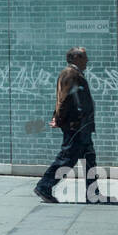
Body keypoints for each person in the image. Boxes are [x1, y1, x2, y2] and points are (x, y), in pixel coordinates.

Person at [35, 47, 97, 203]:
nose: (87, 61)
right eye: (84, 57)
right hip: (75, 127)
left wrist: (57, 118)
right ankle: (44, 186)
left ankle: (93, 193)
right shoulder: (71, 74)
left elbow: (63, 99)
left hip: (81, 126)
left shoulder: (72, 73)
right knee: (66, 159)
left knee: (89, 158)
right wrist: (59, 119)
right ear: (76, 58)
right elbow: (64, 99)